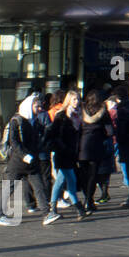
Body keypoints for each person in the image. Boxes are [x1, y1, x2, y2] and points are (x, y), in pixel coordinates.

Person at [0, 94, 50, 226]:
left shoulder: (35, 121)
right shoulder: (17, 120)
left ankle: (47, 213)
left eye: (40, 106)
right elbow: (14, 141)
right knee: (10, 188)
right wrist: (24, 155)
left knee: (39, 187)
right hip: (17, 162)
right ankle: (0, 215)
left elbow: (38, 140)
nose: (39, 108)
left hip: (31, 163)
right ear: (29, 106)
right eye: (36, 106)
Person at [42, 90, 88, 224]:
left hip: (72, 154)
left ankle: (53, 208)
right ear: (68, 101)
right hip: (62, 153)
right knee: (71, 179)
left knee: (60, 181)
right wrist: (60, 147)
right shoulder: (61, 116)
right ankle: (79, 208)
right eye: (74, 100)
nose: (77, 102)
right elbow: (53, 133)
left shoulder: (79, 116)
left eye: (78, 99)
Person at [77, 90, 115, 213]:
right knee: (93, 175)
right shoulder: (103, 112)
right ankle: (89, 200)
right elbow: (110, 131)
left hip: (82, 147)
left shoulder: (81, 110)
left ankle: (86, 198)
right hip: (96, 147)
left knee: (84, 175)